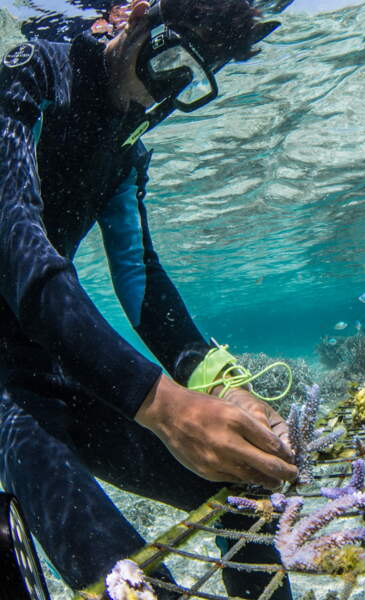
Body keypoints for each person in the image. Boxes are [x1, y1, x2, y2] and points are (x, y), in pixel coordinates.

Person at [0, 1, 298, 597]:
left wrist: (218, 384)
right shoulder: (31, 77)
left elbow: (141, 278)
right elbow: (14, 244)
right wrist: (163, 406)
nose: (158, 96)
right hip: (11, 385)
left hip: (43, 357)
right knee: (131, 582)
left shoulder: (126, 144)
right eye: (170, 64)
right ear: (135, 17)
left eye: (189, 77)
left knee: (244, 499)